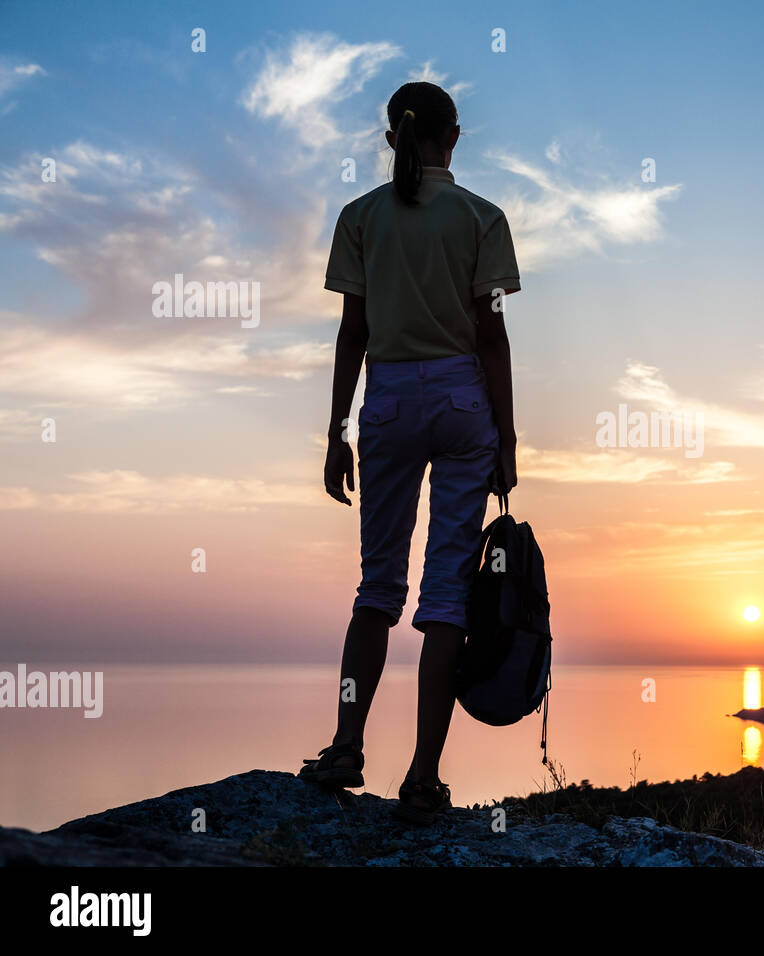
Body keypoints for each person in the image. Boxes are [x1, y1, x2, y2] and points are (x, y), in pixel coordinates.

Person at [299, 81, 521, 824]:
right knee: (447, 596)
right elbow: (491, 336)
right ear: (452, 138)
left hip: (387, 400)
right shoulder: (482, 219)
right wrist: (508, 436)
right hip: (464, 401)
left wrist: (336, 431)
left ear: (393, 138)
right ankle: (423, 775)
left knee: (376, 589)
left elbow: (352, 336)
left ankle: (344, 748)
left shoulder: (359, 218)